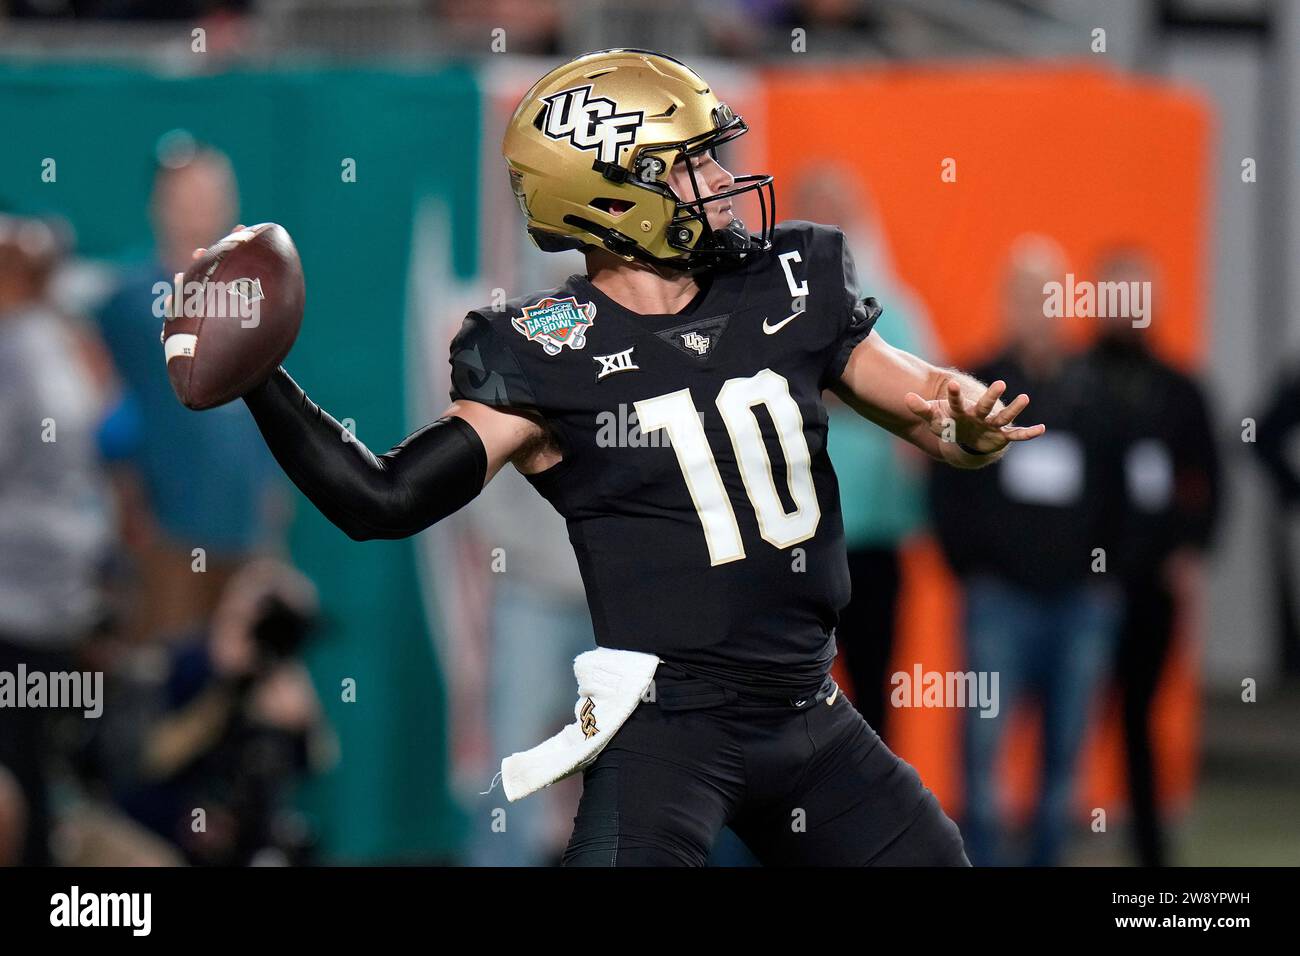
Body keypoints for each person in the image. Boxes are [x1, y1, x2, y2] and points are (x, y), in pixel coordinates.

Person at [192, 50, 1047, 866]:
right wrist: (261, 377)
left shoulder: (784, 279)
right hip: (669, 732)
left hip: (809, 714)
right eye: (690, 164)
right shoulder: (541, 351)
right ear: (609, 193)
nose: (721, 181)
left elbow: (929, 403)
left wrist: (963, 425)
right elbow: (382, 499)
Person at [929, 235, 1126, 866]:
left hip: (1080, 603)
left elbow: (1122, 492)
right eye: (1022, 292)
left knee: (1065, 756)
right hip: (998, 602)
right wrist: (975, 570)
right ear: (1005, 300)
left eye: (1046, 292)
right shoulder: (970, 384)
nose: (1035, 306)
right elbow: (945, 486)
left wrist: (1104, 576)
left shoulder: (1097, 394)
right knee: (981, 760)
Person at [97, 134, 282, 643]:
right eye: (185, 193)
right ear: (160, 204)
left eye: (209, 191)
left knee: (248, 683)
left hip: (245, 533)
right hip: (168, 538)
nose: (198, 205)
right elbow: (98, 406)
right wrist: (126, 501)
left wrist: (270, 504)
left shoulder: (258, 297)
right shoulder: (128, 303)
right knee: (166, 678)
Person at [1083, 249, 1220, 867]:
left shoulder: (1180, 389)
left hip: (1152, 585)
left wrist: (1191, 551)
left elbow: (1209, 479)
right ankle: (1042, 832)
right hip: (1080, 583)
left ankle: (1149, 849)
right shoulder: (1073, 383)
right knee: (1067, 708)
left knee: (1138, 713)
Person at [0, 214, 114, 866]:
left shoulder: (21, 352)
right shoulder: (62, 346)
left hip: (19, 608)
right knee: (32, 772)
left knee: (18, 778)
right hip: (55, 603)